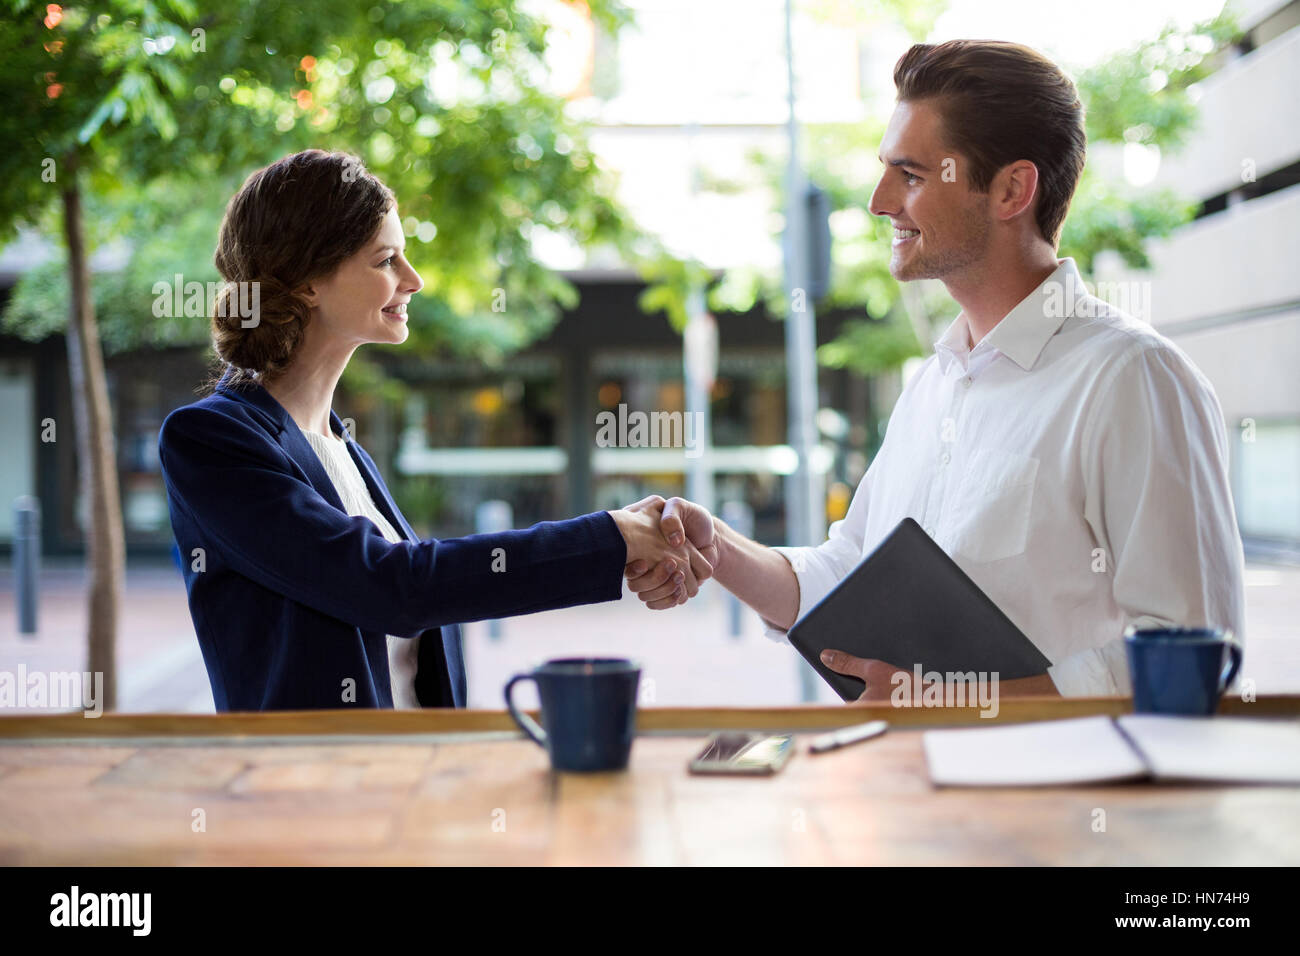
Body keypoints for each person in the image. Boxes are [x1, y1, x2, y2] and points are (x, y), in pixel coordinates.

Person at [626, 40, 1246, 700]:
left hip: (1062, 802)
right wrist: (716, 547)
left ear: (1012, 189)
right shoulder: (933, 384)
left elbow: (1197, 656)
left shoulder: (1132, 380)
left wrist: (962, 703)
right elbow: (851, 571)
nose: (879, 200)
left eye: (912, 176)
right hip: (916, 791)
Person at [159, 149, 712, 712]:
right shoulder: (211, 440)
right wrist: (607, 539)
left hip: (409, 772)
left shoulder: (339, 446)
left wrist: (625, 542)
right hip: (312, 787)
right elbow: (393, 588)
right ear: (307, 283)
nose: (414, 279)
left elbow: (417, 603)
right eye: (385, 261)